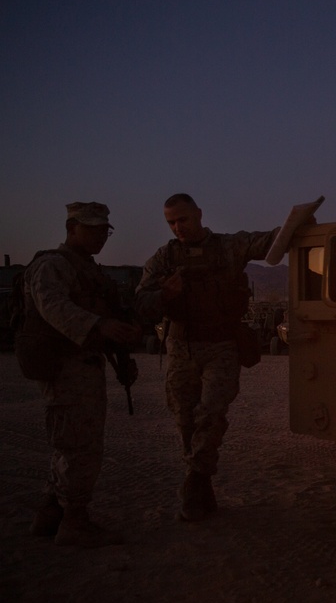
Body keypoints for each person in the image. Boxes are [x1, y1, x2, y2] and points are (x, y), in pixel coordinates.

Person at [134, 193, 280, 521]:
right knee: (184, 418)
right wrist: (164, 294)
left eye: (182, 219)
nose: (178, 227)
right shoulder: (164, 258)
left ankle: (196, 480)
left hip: (221, 345)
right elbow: (140, 302)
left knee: (211, 413)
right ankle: (200, 481)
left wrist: (298, 224)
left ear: (199, 214)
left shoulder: (229, 247)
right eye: (171, 222)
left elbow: (270, 241)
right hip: (181, 347)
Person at [18, 201, 142, 547]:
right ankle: (74, 521)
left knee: (71, 443)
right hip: (65, 368)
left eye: (105, 231)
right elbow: (53, 306)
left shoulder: (87, 269)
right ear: (72, 228)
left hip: (83, 366)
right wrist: (99, 324)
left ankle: (50, 513)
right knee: (79, 445)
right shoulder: (52, 265)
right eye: (92, 229)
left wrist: (121, 348)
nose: (100, 236)